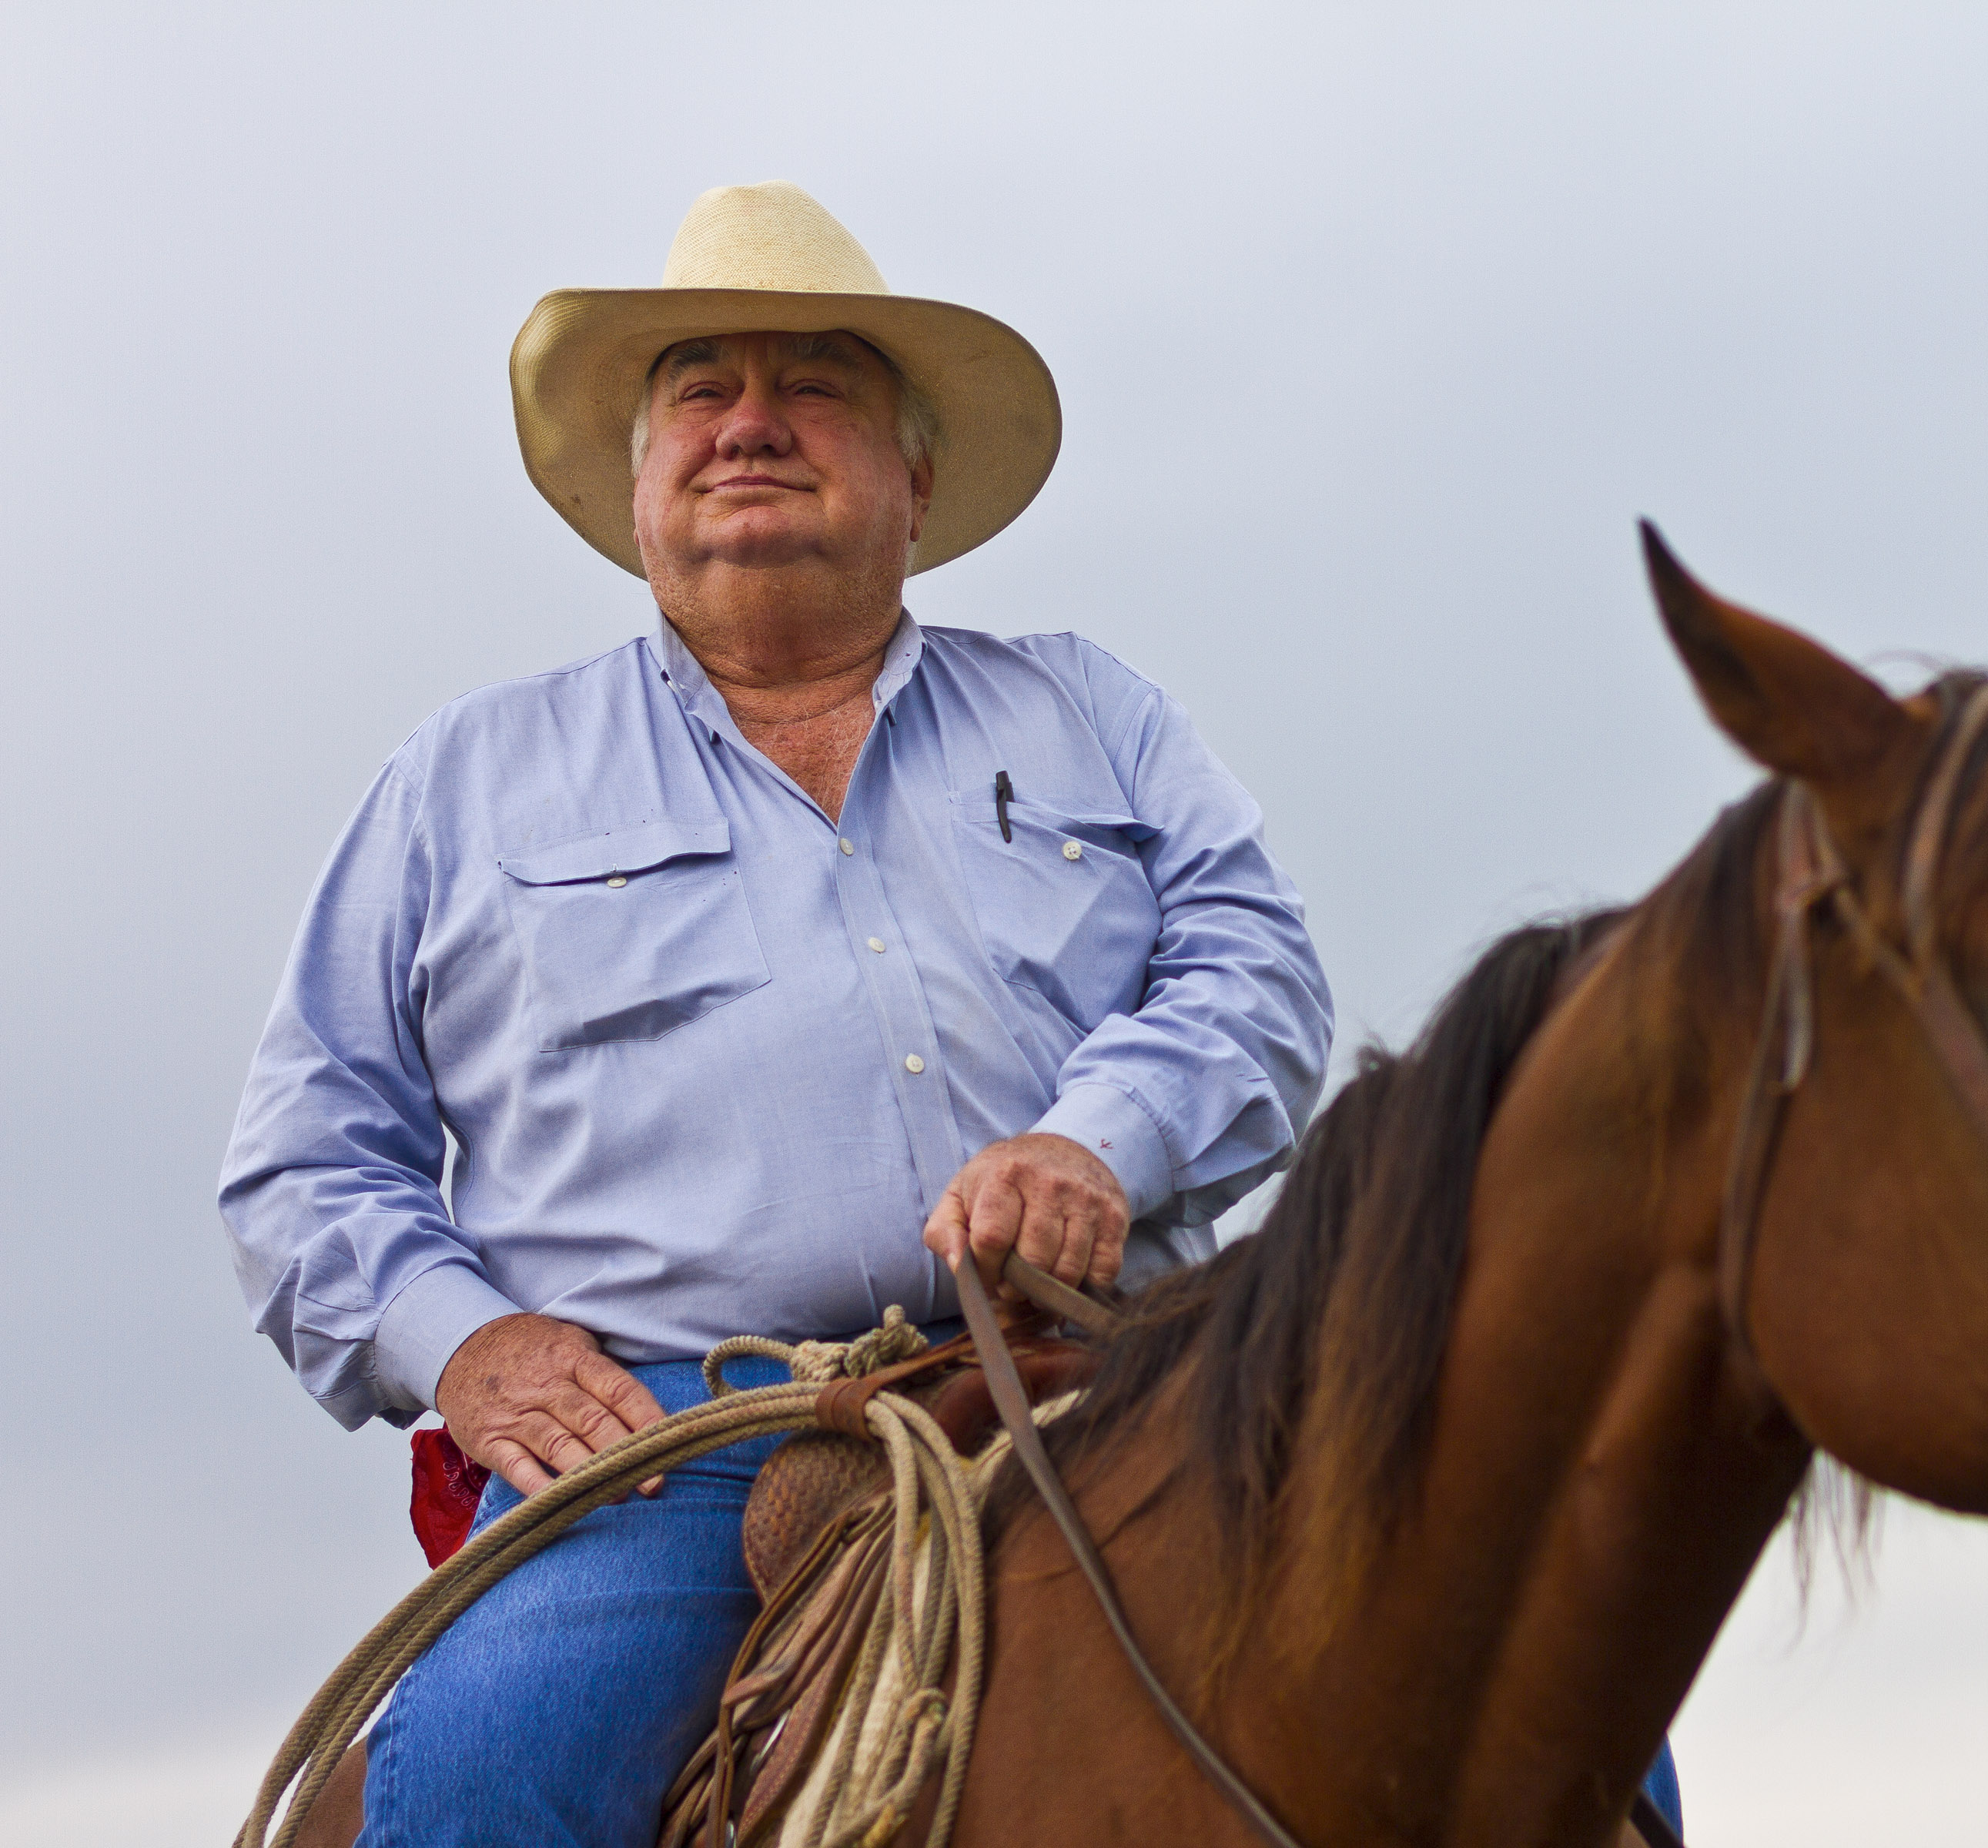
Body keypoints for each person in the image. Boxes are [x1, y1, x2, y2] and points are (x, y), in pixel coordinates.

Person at [221, 181, 1335, 1846]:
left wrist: (1097, 1140)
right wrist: (467, 1343)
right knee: (477, 1782)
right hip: (677, 1442)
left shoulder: (1092, 708)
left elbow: (1256, 967)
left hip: (1104, 1367)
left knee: (1515, 1632)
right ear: (643, 482)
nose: (752, 425)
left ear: (916, 477)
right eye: (699, 391)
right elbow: (306, 1159)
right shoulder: (464, 780)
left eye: (814, 384)